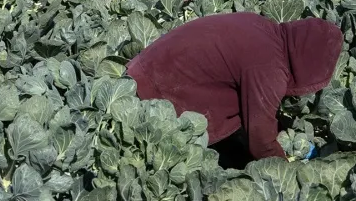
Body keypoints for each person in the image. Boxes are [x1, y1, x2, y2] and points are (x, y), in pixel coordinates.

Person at [126, 13, 344, 164]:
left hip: (141, 70)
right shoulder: (268, 66)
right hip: (153, 94)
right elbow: (261, 142)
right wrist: (284, 173)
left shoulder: (261, 26)